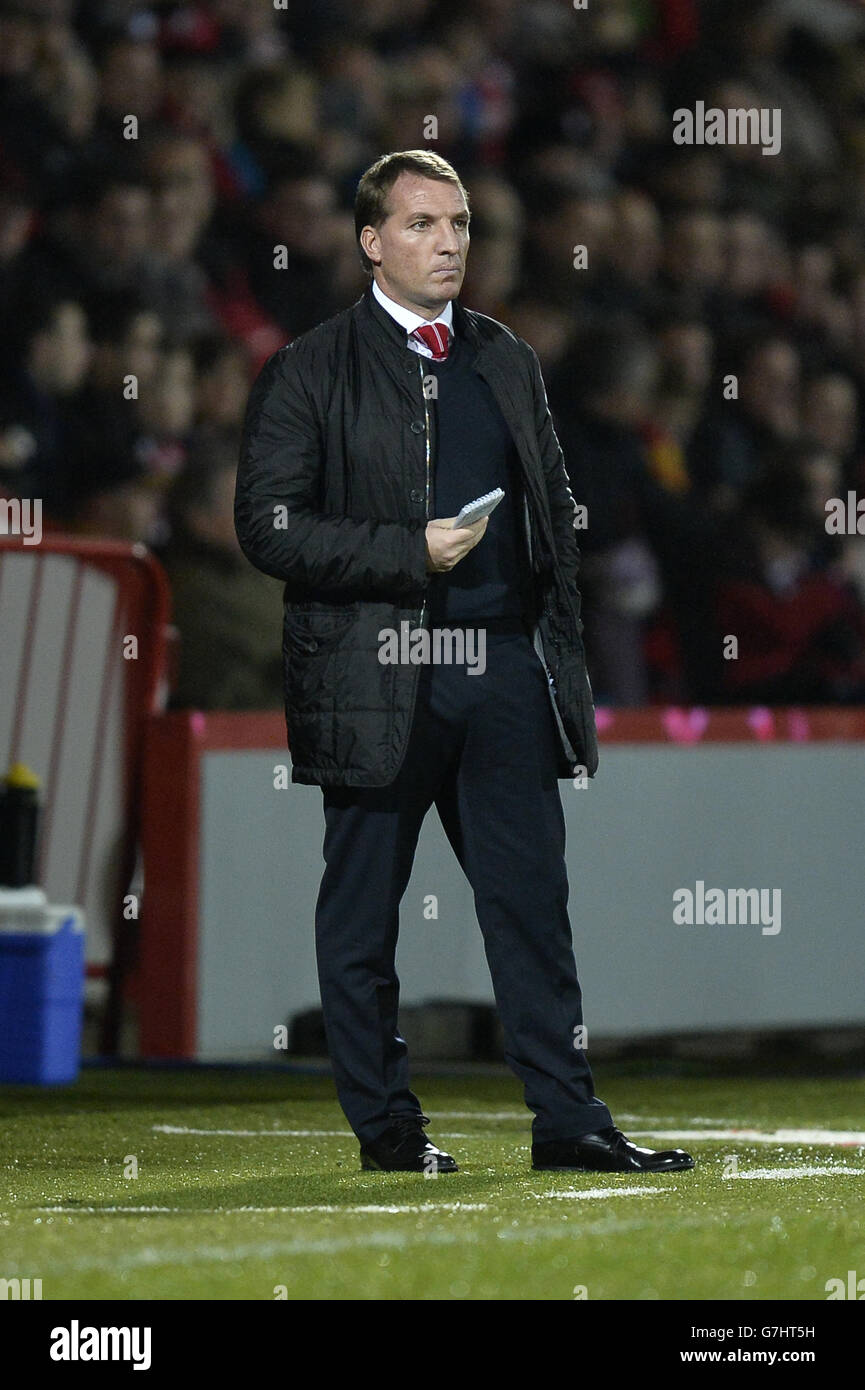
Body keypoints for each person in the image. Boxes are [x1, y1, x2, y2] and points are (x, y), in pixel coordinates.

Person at [235, 149, 695, 1177]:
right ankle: (389, 1133)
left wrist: (550, 652)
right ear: (371, 241)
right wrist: (407, 550)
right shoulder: (309, 368)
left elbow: (552, 516)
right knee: (363, 914)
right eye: (422, 224)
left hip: (500, 668)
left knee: (531, 907)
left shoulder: (504, 357)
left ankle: (568, 1121)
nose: (448, 243)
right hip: (376, 669)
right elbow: (268, 527)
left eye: (459, 224)